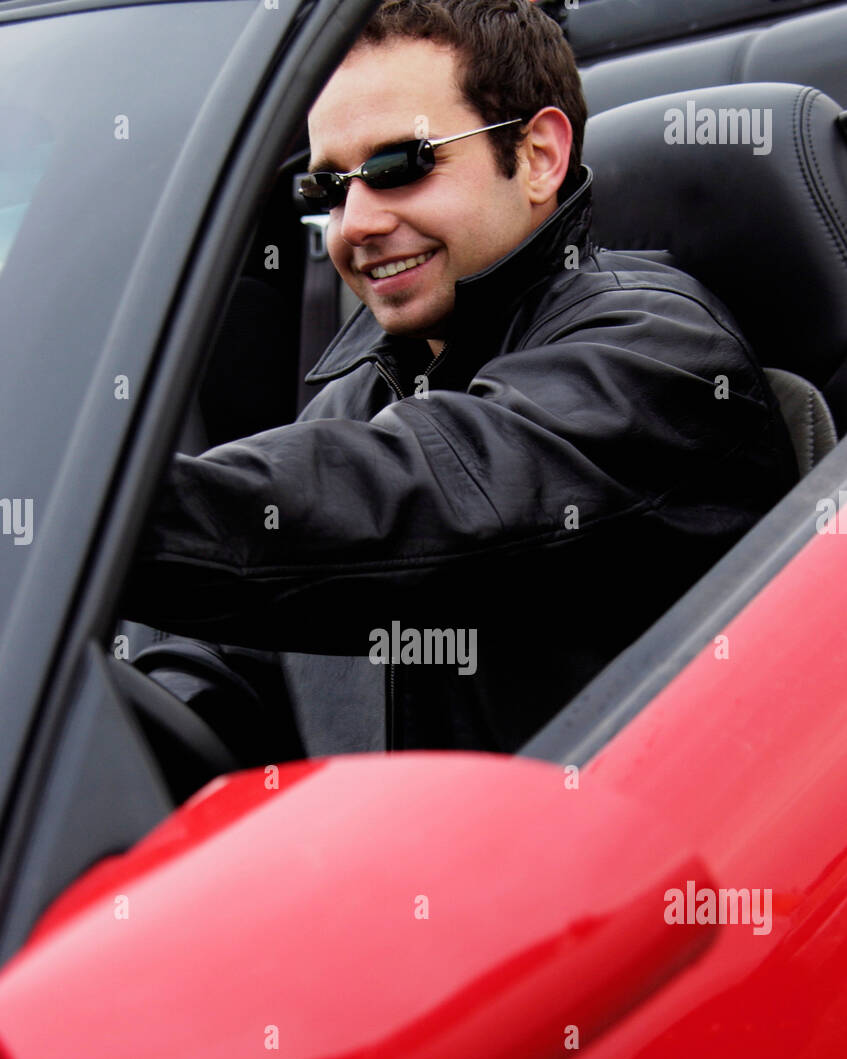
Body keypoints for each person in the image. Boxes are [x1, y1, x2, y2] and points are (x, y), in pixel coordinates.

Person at [122, 0, 796, 759]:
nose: (355, 222)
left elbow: (425, 498)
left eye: (399, 165)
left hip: (614, 866)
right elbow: (225, 668)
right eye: (327, 190)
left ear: (538, 155)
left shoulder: (658, 351)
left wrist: (97, 523)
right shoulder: (358, 394)